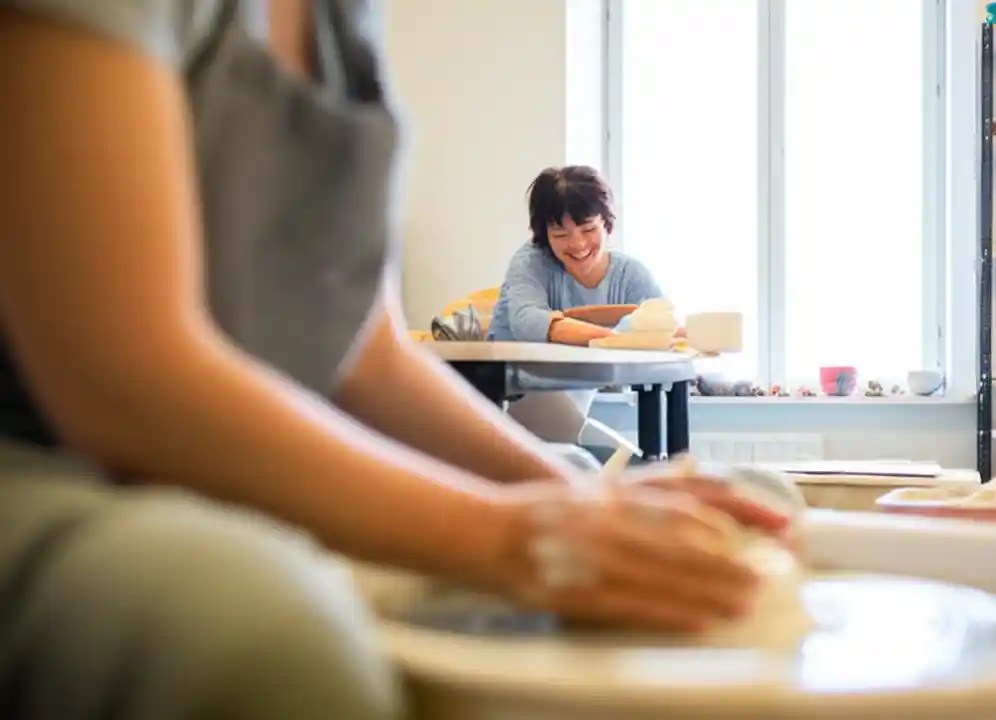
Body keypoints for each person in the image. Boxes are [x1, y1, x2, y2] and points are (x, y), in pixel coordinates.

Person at [0, 2, 787, 719]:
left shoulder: (347, 27)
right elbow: (124, 381)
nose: (578, 243)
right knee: (266, 639)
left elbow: (365, 355)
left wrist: (580, 498)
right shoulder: (527, 264)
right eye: (563, 232)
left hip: (219, 457)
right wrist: (511, 538)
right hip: (46, 463)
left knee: (739, 510)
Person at [488, 166, 666, 345]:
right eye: (561, 235)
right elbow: (528, 323)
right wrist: (620, 341)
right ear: (544, 235)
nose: (578, 245)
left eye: (589, 229)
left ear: (606, 223)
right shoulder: (529, 263)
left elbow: (664, 324)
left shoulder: (631, 274)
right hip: (514, 370)